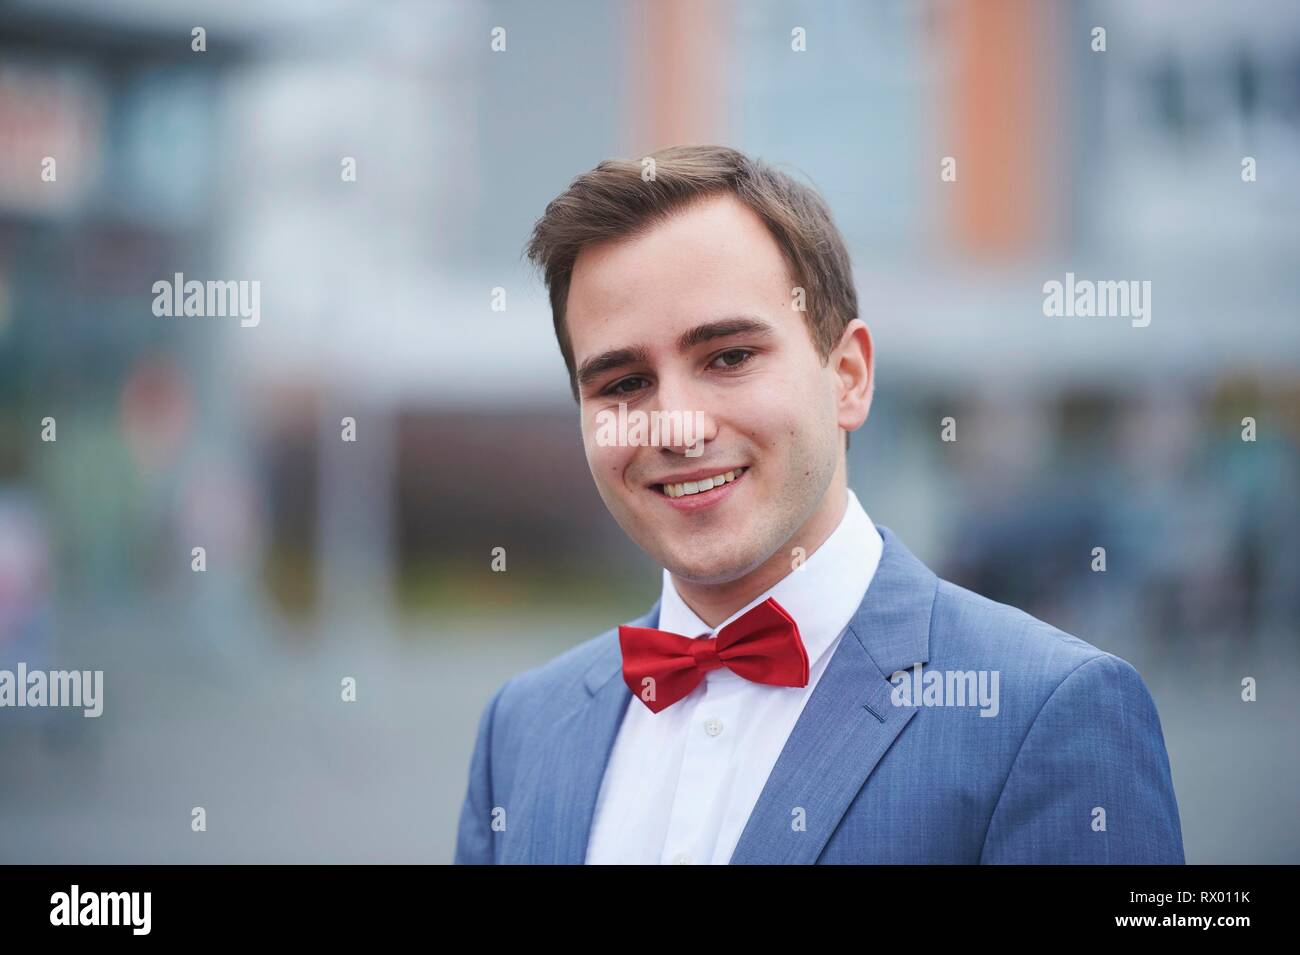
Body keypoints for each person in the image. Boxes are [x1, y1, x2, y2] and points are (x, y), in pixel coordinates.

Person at [453, 145, 1184, 864]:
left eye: (729, 357)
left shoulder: (1048, 712)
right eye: (621, 383)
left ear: (849, 377)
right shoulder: (519, 732)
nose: (676, 424)